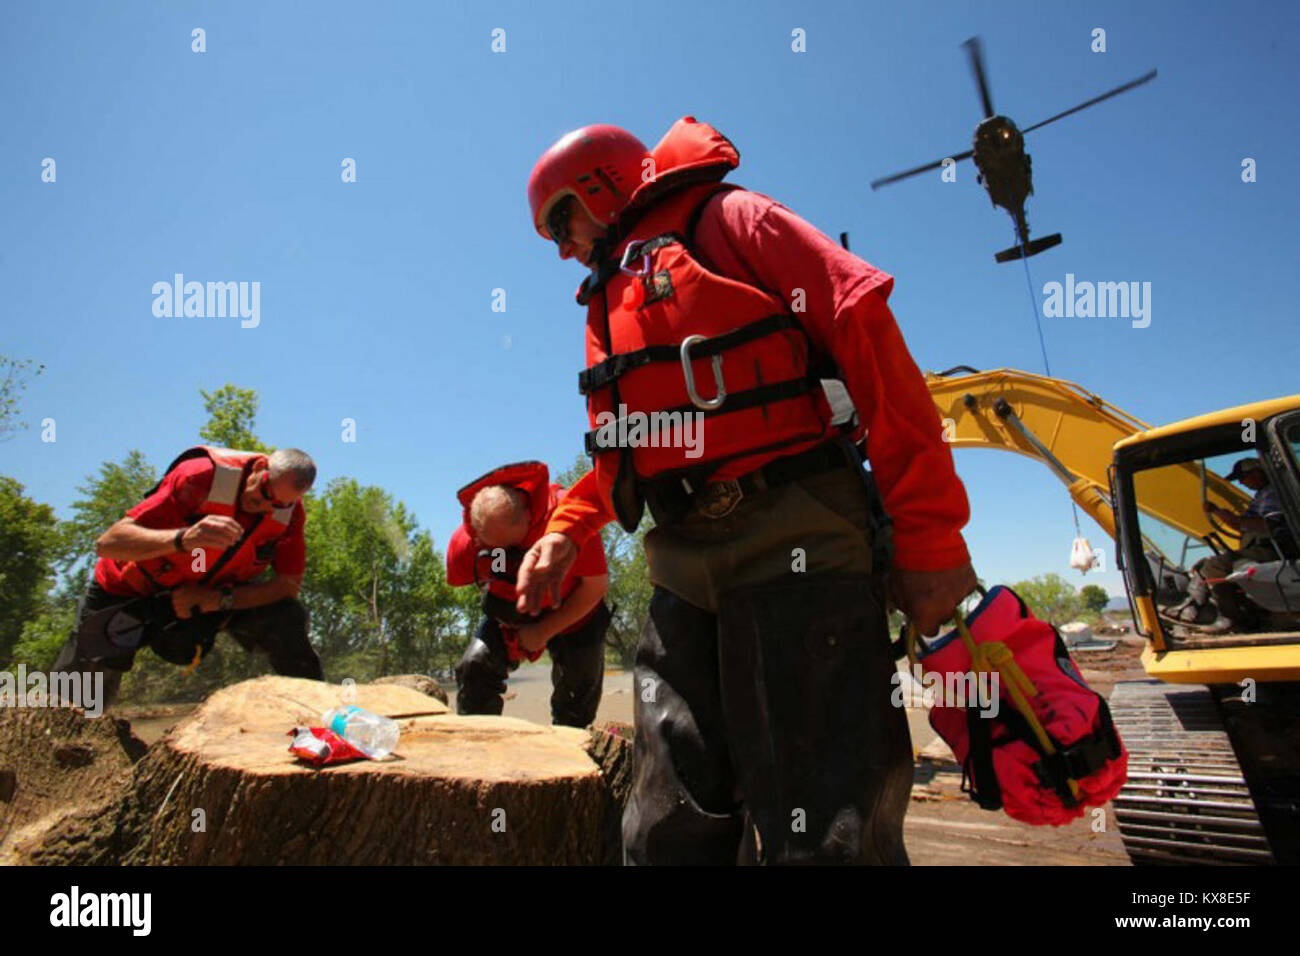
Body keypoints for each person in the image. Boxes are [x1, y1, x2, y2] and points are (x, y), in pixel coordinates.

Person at [518, 117, 977, 864]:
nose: (560, 247)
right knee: (666, 832)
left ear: (599, 182)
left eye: (559, 220)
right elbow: (635, 451)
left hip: (802, 553)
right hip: (682, 579)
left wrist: (930, 537)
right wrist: (567, 528)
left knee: (831, 834)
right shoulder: (612, 299)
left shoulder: (732, 219)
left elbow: (870, 341)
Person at [52, 445, 323, 708]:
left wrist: (219, 599)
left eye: (278, 504)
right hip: (133, 592)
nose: (265, 507)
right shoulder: (199, 476)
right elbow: (108, 544)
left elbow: (287, 586)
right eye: (264, 493)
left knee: (286, 617)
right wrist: (183, 539)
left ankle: (317, 716)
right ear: (261, 468)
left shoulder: (290, 514)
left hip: (205, 600)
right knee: (82, 685)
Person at [447, 461, 610, 727]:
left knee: (577, 700)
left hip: (576, 612)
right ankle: (478, 752)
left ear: (528, 516)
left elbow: (596, 587)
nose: (505, 554)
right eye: (494, 547)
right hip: (514, 612)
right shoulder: (466, 543)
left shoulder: (568, 516)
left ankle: (570, 757)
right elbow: (476, 583)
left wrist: (543, 631)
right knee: (474, 668)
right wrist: (508, 623)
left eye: (511, 545)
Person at [1180, 457, 1292, 630]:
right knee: (1206, 564)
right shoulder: (1262, 495)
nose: (1241, 482)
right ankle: (1192, 605)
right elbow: (1244, 525)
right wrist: (1219, 512)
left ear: (1257, 472)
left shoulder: (1273, 492)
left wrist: (1231, 518)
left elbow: (1267, 525)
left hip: (1278, 548)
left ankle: (1229, 618)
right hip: (1268, 547)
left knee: (1215, 565)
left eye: (1243, 476)